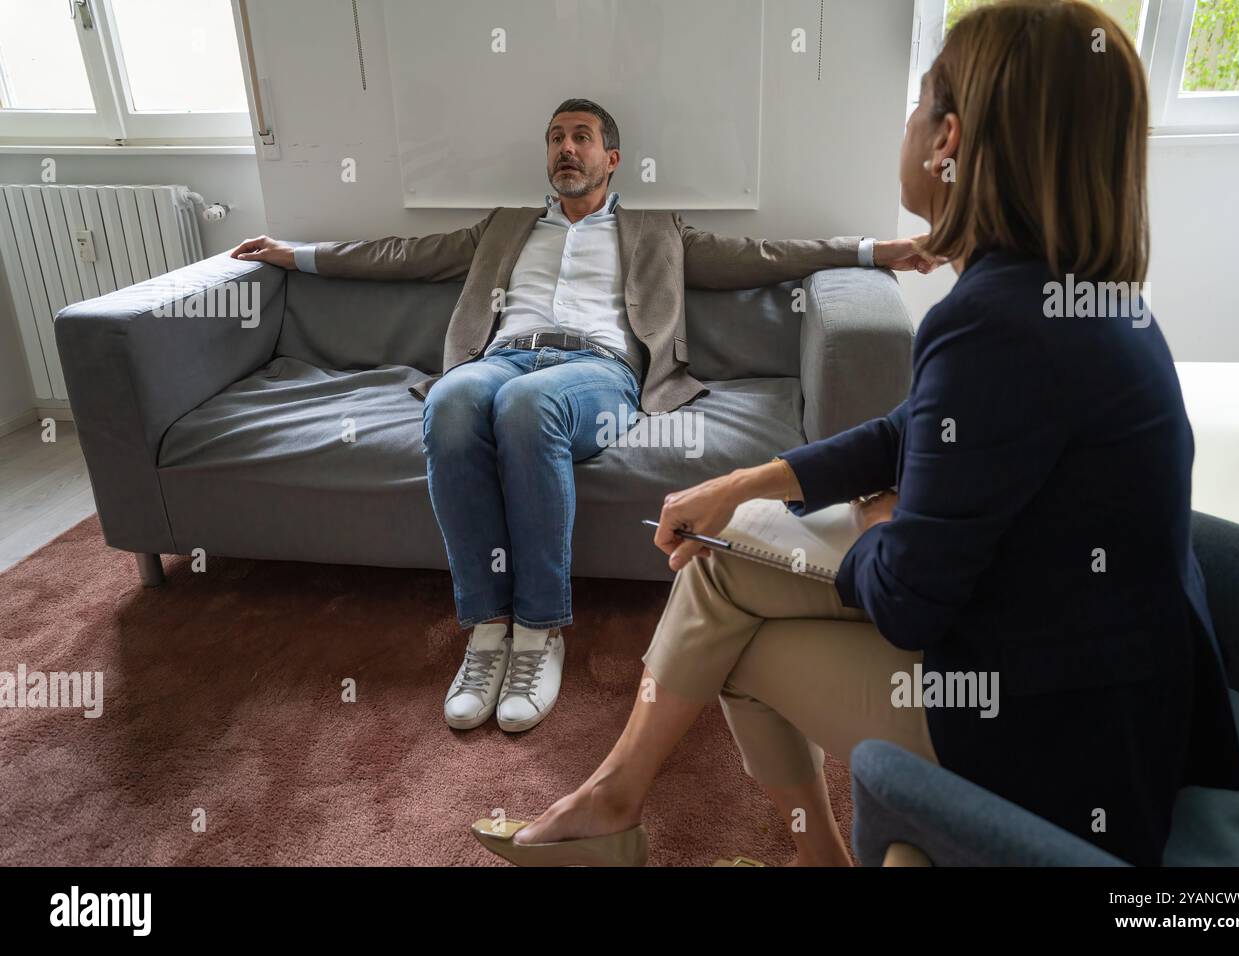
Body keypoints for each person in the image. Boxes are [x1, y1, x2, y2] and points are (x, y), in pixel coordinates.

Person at [470, 1, 1239, 866]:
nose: (907, 126)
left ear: (948, 138)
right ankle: (666, 820)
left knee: (726, 615)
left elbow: (911, 597)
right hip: (1102, 683)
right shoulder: (1068, 295)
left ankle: (671, 823)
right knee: (723, 560)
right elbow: (906, 432)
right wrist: (743, 484)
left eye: (917, 107)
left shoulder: (995, 321)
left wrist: (880, 519)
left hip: (1048, 733)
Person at [230, 98, 936, 734]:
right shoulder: (504, 229)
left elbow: (764, 255)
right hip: (499, 359)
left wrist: (878, 249)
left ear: (612, 157)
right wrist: (296, 255)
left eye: (582, 137)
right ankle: (486, 629)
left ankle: (539, 632)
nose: (566, 149)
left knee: (526, 405)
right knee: (449, 402)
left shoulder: (657, 230)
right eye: (556, 139)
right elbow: (402, 255)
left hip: (596, 372)